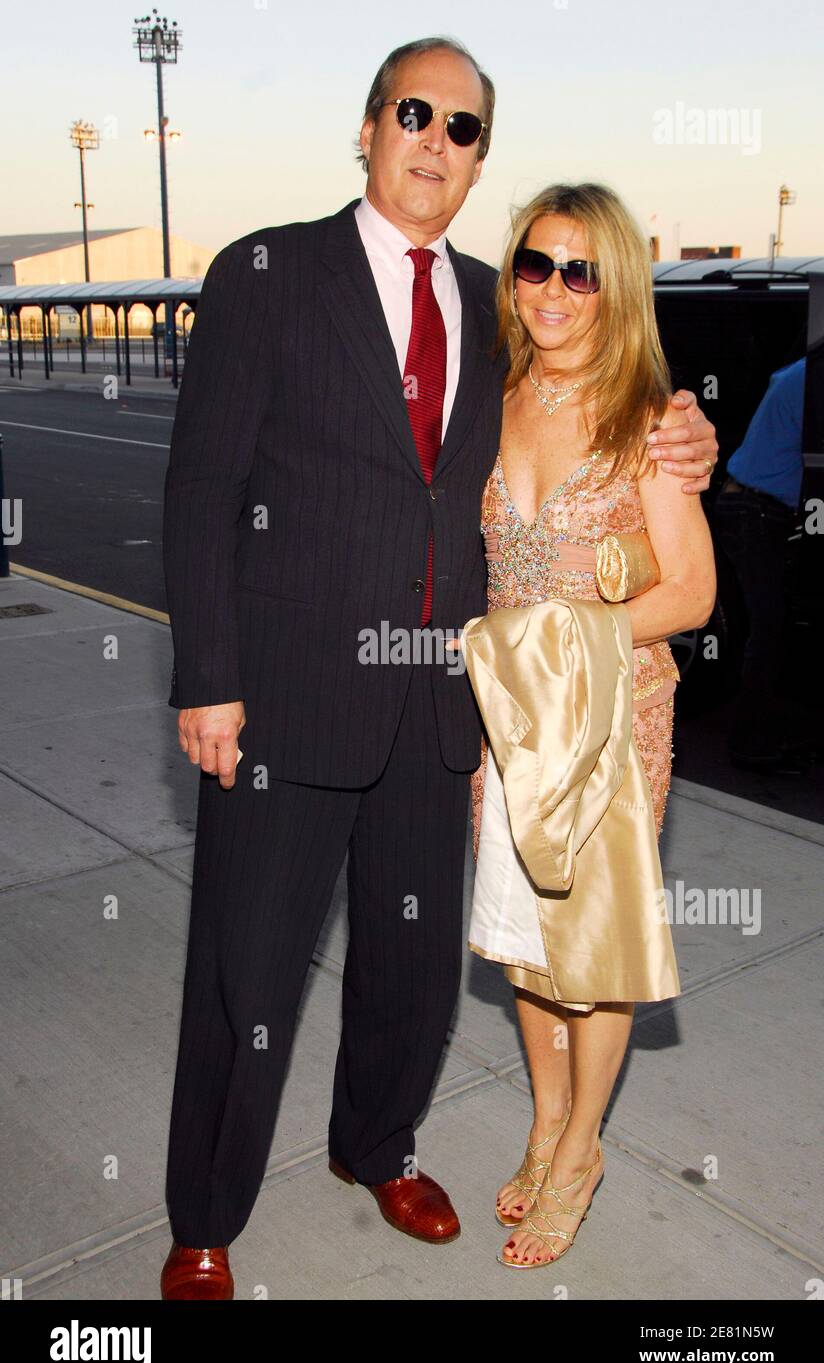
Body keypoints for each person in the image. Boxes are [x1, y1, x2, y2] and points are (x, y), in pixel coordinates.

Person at [159, 37, 718, 1299]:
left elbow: (607, 408)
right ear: (367, 129)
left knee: (411, 969)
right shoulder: (266, 272)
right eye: (413, 113)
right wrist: (207, 674)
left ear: (477, 161)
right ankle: (203, 1217)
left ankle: (376, 1144)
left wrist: (684, 426)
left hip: (447, 711)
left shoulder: (490, 303)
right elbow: (201, 489)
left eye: (462, 127)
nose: (434, 140)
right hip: (286, 696)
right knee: (245, 965)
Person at [466, 183, 716, 1268]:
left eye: (581, 270)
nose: (555, 291)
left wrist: (571, 631)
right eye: (535, 264)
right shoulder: (493, 393)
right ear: (511, 275)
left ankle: (580, 1151)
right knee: (527, 945)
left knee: (594, 947)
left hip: (611, 720)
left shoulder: (649, 416)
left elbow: (692, 594)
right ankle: (542, 1119)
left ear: (616, 285)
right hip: (506, 721)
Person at [713, 359, 805, 768]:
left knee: (766, 624)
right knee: (768, 626)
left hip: (751, 504)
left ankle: (757, 729)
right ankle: (748, 741)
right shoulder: (808, 377)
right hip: (755, 509)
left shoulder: (799, 372)